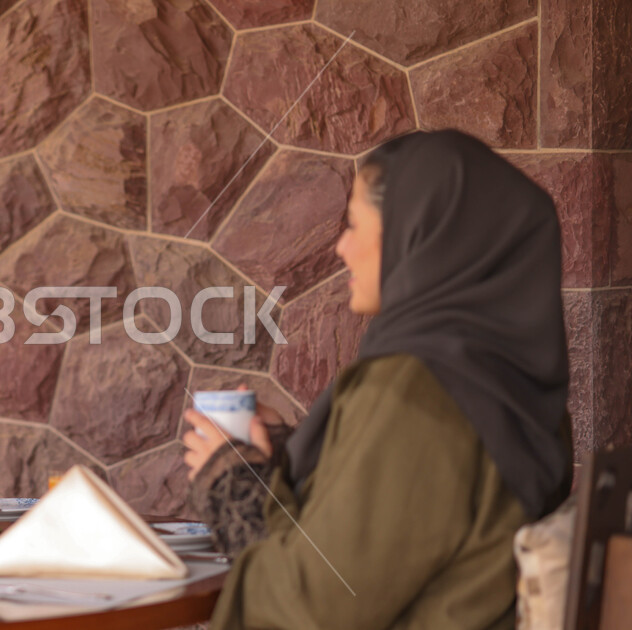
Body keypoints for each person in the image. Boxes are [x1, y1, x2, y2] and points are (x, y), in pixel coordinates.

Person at [183, 130, 572, 629]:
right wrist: (282, 458)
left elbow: (312, 610)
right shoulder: (506, 381)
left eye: (353, 224)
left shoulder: (418, 389)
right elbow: (392, 541)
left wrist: (232, 486)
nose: (341, 247)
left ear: (419, 233)